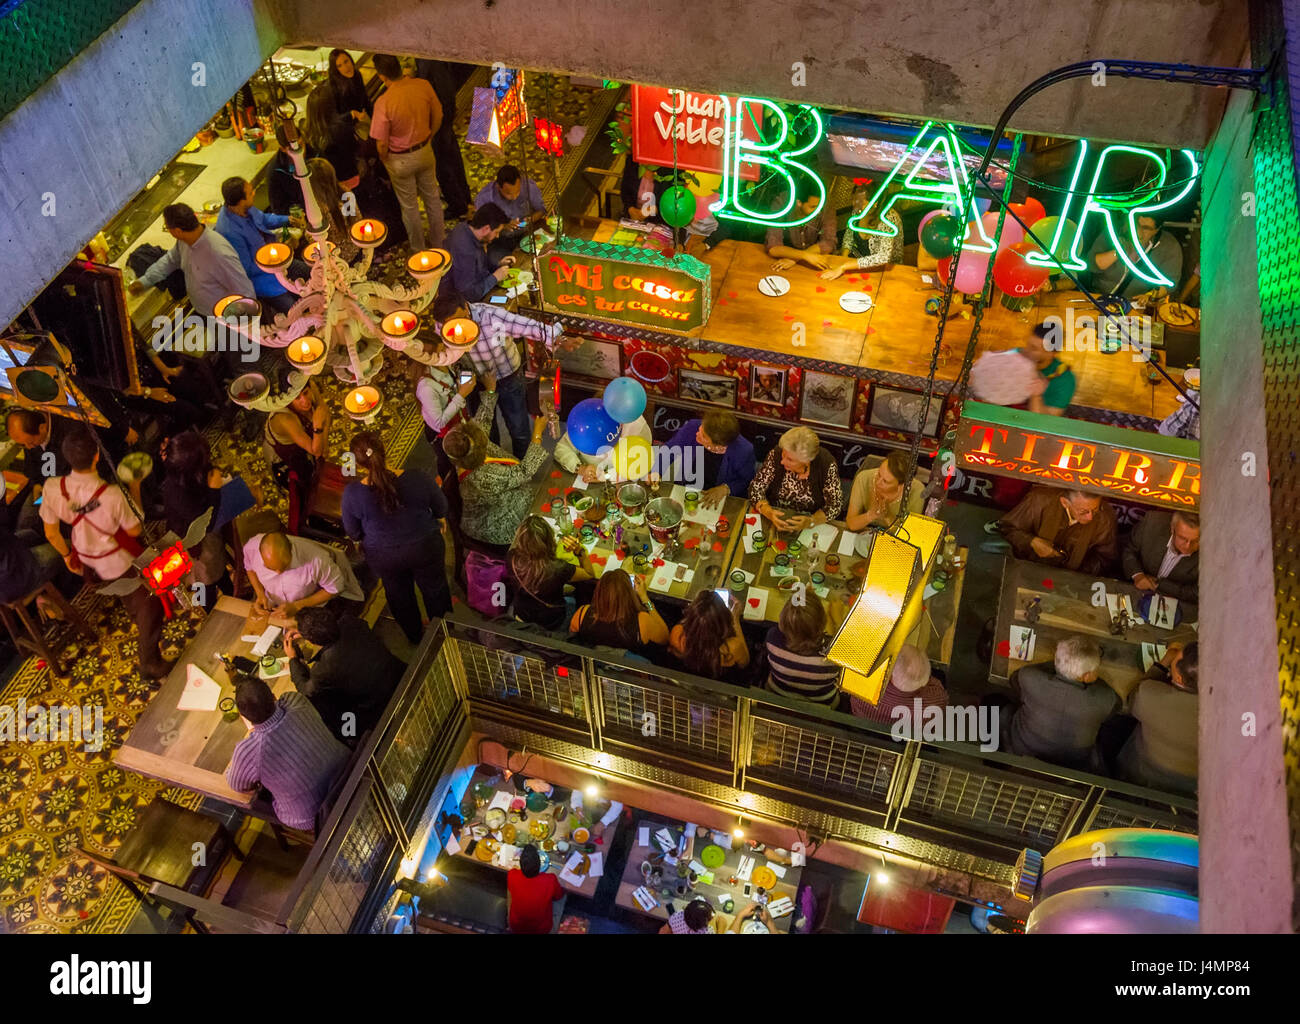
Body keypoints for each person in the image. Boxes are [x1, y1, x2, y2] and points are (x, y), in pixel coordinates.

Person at [40, 427, 174, 679]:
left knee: (130, 598)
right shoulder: (111, 495)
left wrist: (67, 555)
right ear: (97, 456)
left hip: (87, 559)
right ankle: (150, 663)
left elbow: (51, 533)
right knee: (151, 603)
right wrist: (134, 486)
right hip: (117, 559)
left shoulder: (52, 487)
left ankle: (136, 613)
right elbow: (134, 529)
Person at [341, 431, 451, 644]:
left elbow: (353, 532)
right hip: (425, 546)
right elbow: (441, 507)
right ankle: (444, 632)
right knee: (435, 588)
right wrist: (438, 518)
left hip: (384, 556)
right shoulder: (417, 477)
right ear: (385, 451)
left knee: (399, 596)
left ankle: (415, 636)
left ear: (359, 464)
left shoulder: (352, 494)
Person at [225, 674, 350, 831]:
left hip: (313, 816)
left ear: (244, 717)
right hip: (349, 770)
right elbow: (288, 699)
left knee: (254, 800)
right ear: (273, 696)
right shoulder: (296, 701)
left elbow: (237, 785)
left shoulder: (249, 752)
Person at [285, 605, 404, 745]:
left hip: (377, 705)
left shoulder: (325, 667)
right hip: (397, 672)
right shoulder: (351, 622)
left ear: (311, 641)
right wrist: (304, 631)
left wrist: (293, 659)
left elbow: (306, 690)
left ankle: (350, 740)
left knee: (329, 707)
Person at [459, 302, 565, 459]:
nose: (458, 325)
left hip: (508, 377)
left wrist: (555, 335)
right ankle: (495, 464)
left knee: (518, 428)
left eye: (460, 318)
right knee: (485, 431)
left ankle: (522, 465)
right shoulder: (443, 326)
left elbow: (529, 326)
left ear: (465, 309)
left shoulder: (491, 315)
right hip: (476, 383)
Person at [442, 406, 551, 555]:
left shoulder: (467, 450)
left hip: (499, 502)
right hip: (495, 530)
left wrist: (491, 391)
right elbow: (524, 471)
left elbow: (483, 420)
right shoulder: (483, 476)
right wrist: (537, 432)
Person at [1006, 635, 1119, 770]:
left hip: (1024, 749)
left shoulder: (1030, 677)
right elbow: (1114, 709)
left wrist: (1061, 665)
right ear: (1087, 676)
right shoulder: (1104, 698)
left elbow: (1014, 680)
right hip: (1074, 763)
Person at [369, 53, 445, 251]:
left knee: (409, 207)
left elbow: (381, 144)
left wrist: (386, 160)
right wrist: (429, 136)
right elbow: (438, 114)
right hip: (424, 150)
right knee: (433, 198)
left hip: (399, 159)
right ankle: (439, 243)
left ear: (382, 77)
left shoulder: (383, 103)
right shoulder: (423, 86)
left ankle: (418, 249)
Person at [129, 203, 255, 318]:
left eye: (168, 228)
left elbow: (244, 289)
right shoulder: (184, 242)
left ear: (178, 231)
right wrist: (146, 280)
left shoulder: (218, 253)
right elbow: (170, 260)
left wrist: (243, 324)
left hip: (226, 317)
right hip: (205, 311)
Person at [214, 177, 307, 316]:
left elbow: (264, 219)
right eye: (250, 193)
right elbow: (246, 268)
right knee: (295, 311)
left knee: (312, 273)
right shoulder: (229, 231)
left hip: (277, 261)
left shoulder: (246, 209)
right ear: (241, 201)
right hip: (264, 278)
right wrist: (272, 262)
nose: (254, 193)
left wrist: (287, 220)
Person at [1115, 641, 1198, 794]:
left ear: (1179, 679)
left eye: (1175, 661)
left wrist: (1164, 662)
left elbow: (1133, 696)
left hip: (1143, 772)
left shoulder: (1151, 696)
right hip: (1193, 786)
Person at [996, 486, 1118, 575]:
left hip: (1071, 581)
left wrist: (1075, 571)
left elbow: (1106, 558)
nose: (1090, 517)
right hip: (1026, 569)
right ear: (1065, 503)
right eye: (1083, 512)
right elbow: (1006, 527)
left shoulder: (1104, 517)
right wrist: (1031, 541)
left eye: (1094, 510)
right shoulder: (1039, 501)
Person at [160, 429, 228, 586]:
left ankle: (229, 589)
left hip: (201, 527)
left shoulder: (182, 472)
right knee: (204, 583)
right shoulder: (178, 494)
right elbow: (206, 524)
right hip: (195, 544)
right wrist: (214, 490)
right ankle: (210, 607)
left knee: (219, 572)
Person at [243, 530, 363, 618]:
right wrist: (260, 594)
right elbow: (249, 568)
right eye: (270, 568)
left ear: (290, 550)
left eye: (284, 567)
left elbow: (335, 588)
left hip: (308, 607)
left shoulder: (317, 560)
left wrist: (297, 606)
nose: (278, 573)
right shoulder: (251, 548)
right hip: (273, 605)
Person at [264, 378, 331, 533]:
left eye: (306, 393)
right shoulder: (285, 419)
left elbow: (323, 410)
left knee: (316, 483)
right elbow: (317, 450)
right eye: (297, 398)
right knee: (304, 494)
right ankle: (312, 525)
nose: (305, 401)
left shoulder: (309, 384)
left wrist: (322, 439)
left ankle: (317, 518)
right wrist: (319, 428)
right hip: (287, 462)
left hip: (305, 449)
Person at [749, 427, 844, 530]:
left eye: (790, 459)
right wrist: (768, 512)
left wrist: (812, 521)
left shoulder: (826, 464)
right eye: (783, 455)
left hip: (809, 524)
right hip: (775, 516)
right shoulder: (776, 454)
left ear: (806, 461)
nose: (782, 462)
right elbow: (755, 488)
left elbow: (835, 506)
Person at [509, 515, 592, 631]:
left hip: (521, 614)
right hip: (551, 621)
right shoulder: (557, 568)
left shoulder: (512, 557)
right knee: (575, 597)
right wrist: (580, 551)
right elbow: (589, 574)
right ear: (550, 540)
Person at [413, 58, 472, 220]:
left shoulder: (426, 63)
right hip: (444, 116)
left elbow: (432, 92)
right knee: (453, 158)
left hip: (437, 120)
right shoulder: (432, 58)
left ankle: (458, 206)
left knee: (443, 165)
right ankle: (464, 197)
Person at [764, 593, 844, 706]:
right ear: (823, 624)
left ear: (782, 623)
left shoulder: (773, 637)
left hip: (778, 692)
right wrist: (838, 620)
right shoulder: (834, 654)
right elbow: (845, 646)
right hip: (822, 703)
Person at [662, 412, 756, 508]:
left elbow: (747, 480)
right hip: (687, 487)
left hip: (718, 500)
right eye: (701, 427)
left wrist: (725, 489)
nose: (698, 432)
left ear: (717, 445)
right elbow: (669, 449)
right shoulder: (693, 426)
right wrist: (655, 471)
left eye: (703, 435)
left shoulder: (744, 450)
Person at [5, 407, 72, 538]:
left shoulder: (68, 435)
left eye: (30, 442)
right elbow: (32, 467)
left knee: (46, 528)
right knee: (24, 525)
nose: (28, 447)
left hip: (68, 492)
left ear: (42, 428)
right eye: (23, 445)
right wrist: (36, 485)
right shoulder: (30, 441)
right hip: (44, 488)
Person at [819, 180, 905, 280]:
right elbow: (848, 239)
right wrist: (843, 260)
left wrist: (845, 266)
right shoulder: (857, 210)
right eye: (854, 200)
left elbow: (883, 257)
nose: (856, 206)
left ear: (874, 203)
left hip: (885, 270)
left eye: (861, 203)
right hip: (857, 265)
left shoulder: (888, 218)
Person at [569, 569, 669, 653]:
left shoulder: (581, 614)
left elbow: (573, 637)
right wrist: (645, 598)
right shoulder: (642, 620)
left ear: (599, 592)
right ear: (629, 593)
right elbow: (664, 638)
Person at [1088, 213, 1183, 300]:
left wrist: (1149, 296)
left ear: (1156, 230)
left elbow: (1169, 284)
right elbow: (1093, 264)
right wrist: (1119, 251)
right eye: (1136, 225)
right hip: (1098, 296)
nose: (1138, 232)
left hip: (1133, 303)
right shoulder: (1115, 231)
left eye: (1146, 228)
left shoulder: (1169, 246)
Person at [439, 204, 513, 309]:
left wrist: (498, 265)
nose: (497, 236)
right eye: (496, 232)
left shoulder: (465, 228)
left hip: (476, 285)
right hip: (459, 304)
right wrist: (495, 277)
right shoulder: (464, 251)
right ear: (486, 228)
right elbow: (468, 294)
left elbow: (480, 264)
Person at [849, 644, 948, 724]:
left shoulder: (861, 691)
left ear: (889, 673)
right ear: (926, 681)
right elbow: (938, 685)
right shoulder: (937, 701)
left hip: (865, 728)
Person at [670, 591, 750, 683]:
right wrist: (735, 618)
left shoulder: (677, 634)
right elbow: (745, 663)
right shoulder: (732, 648)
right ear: (723, 621)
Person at [1121, 509, 1199, 602]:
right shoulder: (1152, 522)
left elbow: (1197, 592)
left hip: (1174, 602)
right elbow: (1129, 550)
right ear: (1172, 528)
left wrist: (1159, 584)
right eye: (1182, 538)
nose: (1188, 546)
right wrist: (1137, 575)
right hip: (1134, 590)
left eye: (1196, 541)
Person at [473, 164, 546, 262]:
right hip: (500, 240)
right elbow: (479, 230)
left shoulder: (528, 187)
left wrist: (530, 219)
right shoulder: (486, 198)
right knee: (496, 264)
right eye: (508, 194)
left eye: (518, 192)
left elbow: (541, 210)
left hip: (527, 232)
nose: (514, 197)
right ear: (499, 186)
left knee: (543, 254)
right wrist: (503, 225)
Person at [765, 182, 837, 271]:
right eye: (813, 207)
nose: (818, 211)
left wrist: (795, 259)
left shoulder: (824, 204)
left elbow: (829, 242)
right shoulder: (782, 202)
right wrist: (804, 256)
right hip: (784, 260)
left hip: (808, 262)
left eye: (820, 207)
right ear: (798, 202)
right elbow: (773, 248)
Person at [845, 452, 925, 531]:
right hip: (865, 530)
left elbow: (907, 535)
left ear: (902, 485)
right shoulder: (863, 478)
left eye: (885, 481)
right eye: (879, 474)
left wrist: (887, 516)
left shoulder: (917, 491)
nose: (878, 482)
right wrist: (871, 515)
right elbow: (851, 524)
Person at [304, 84, 363, 192]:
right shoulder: (341, 130)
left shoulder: (308, 133)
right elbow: (355, 148)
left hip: (327, 184)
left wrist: (349, 115)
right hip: (347, 180)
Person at [306, 157, 361, 263]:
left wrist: (303, 227)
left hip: (336, 260)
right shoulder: (346, 193)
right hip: (356, 248)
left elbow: (315, 241)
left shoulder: (319, 210)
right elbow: (357, 220)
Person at [507, 844, 565, 934]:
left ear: (521, 865)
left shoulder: (512, 874)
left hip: (516, 926)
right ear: (539, 865)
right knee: (564, 897)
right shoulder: (550, 880)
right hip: (541, 929)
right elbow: (559, 896)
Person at [326, 48, 372, 121]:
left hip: (360, 118)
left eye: (346, 61)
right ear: (336, 69)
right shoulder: (333, 88)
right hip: (345, 125)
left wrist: (373, 118)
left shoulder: (357, 74)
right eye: (339, 66)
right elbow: (333, 119)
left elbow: (365, 99)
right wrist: (352, 114)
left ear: (351, 59)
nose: (346, 67)